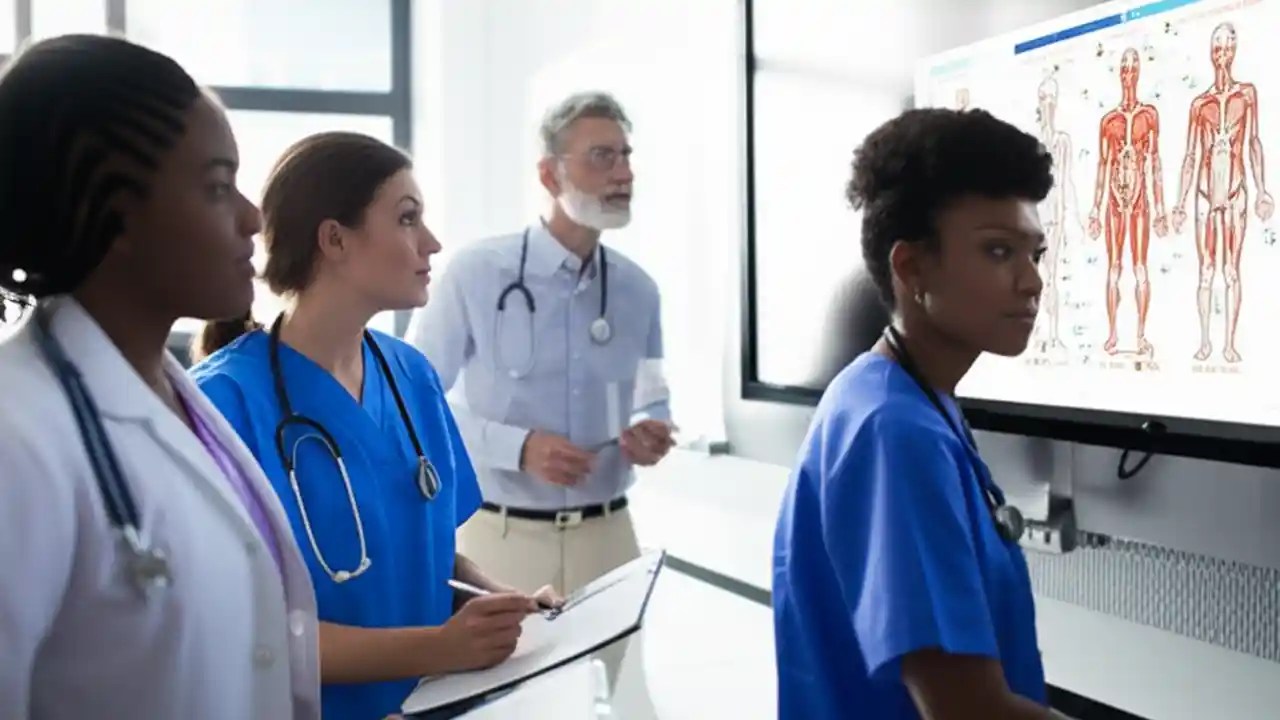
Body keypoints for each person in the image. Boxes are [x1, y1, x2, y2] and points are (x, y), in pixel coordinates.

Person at [0, 35, 320, 719]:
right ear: (113, 211)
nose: (252, 217)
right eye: (215, 186)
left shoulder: (176, 395)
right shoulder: (17, 436)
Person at [189, 131, 558, 720]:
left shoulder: (411, 375)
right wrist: (439, 646)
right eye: (408, 219)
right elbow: (239, 632)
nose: (432, 244)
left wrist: (501, 603)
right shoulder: (222, 403)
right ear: (334, 239)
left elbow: (433, 557)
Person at [772, 107, 1062, 720]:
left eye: (1036, 252)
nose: (1032, 281)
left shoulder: (908, 398)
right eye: (999, 251)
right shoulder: (894, 431)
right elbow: (966, 711)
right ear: (911, 267)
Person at [405, 92, 675, 680]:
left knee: (612, 702)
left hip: (609, 538)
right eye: (602, 156)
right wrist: (517, 447)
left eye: (626, 156)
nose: (624, 172)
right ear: (549, 173)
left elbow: (652, 394)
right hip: (502, 541)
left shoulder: (639, 291)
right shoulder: (477, 273)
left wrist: (651, 429)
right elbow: (414, 404)